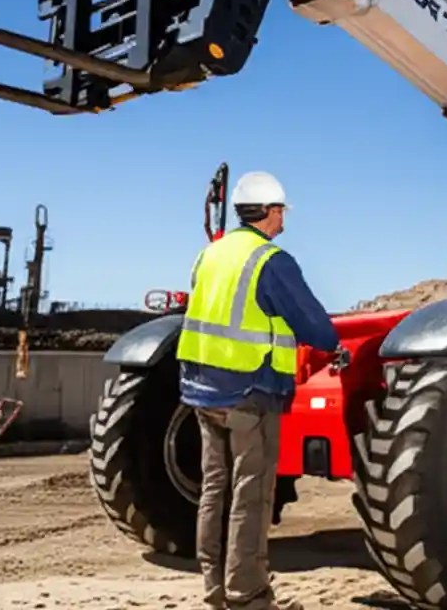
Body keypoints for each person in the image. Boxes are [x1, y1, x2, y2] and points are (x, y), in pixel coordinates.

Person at [177, 170, 340, 610]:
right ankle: (247, 596)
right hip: (250, 391)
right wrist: (333, 343)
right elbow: (318, 330)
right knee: (251, 493)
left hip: (201, 391)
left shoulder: (209, 255)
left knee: (215, 490)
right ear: (270, 212)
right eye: (282, 209)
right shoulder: (270, 260)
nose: (284, 216)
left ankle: (214, 590)